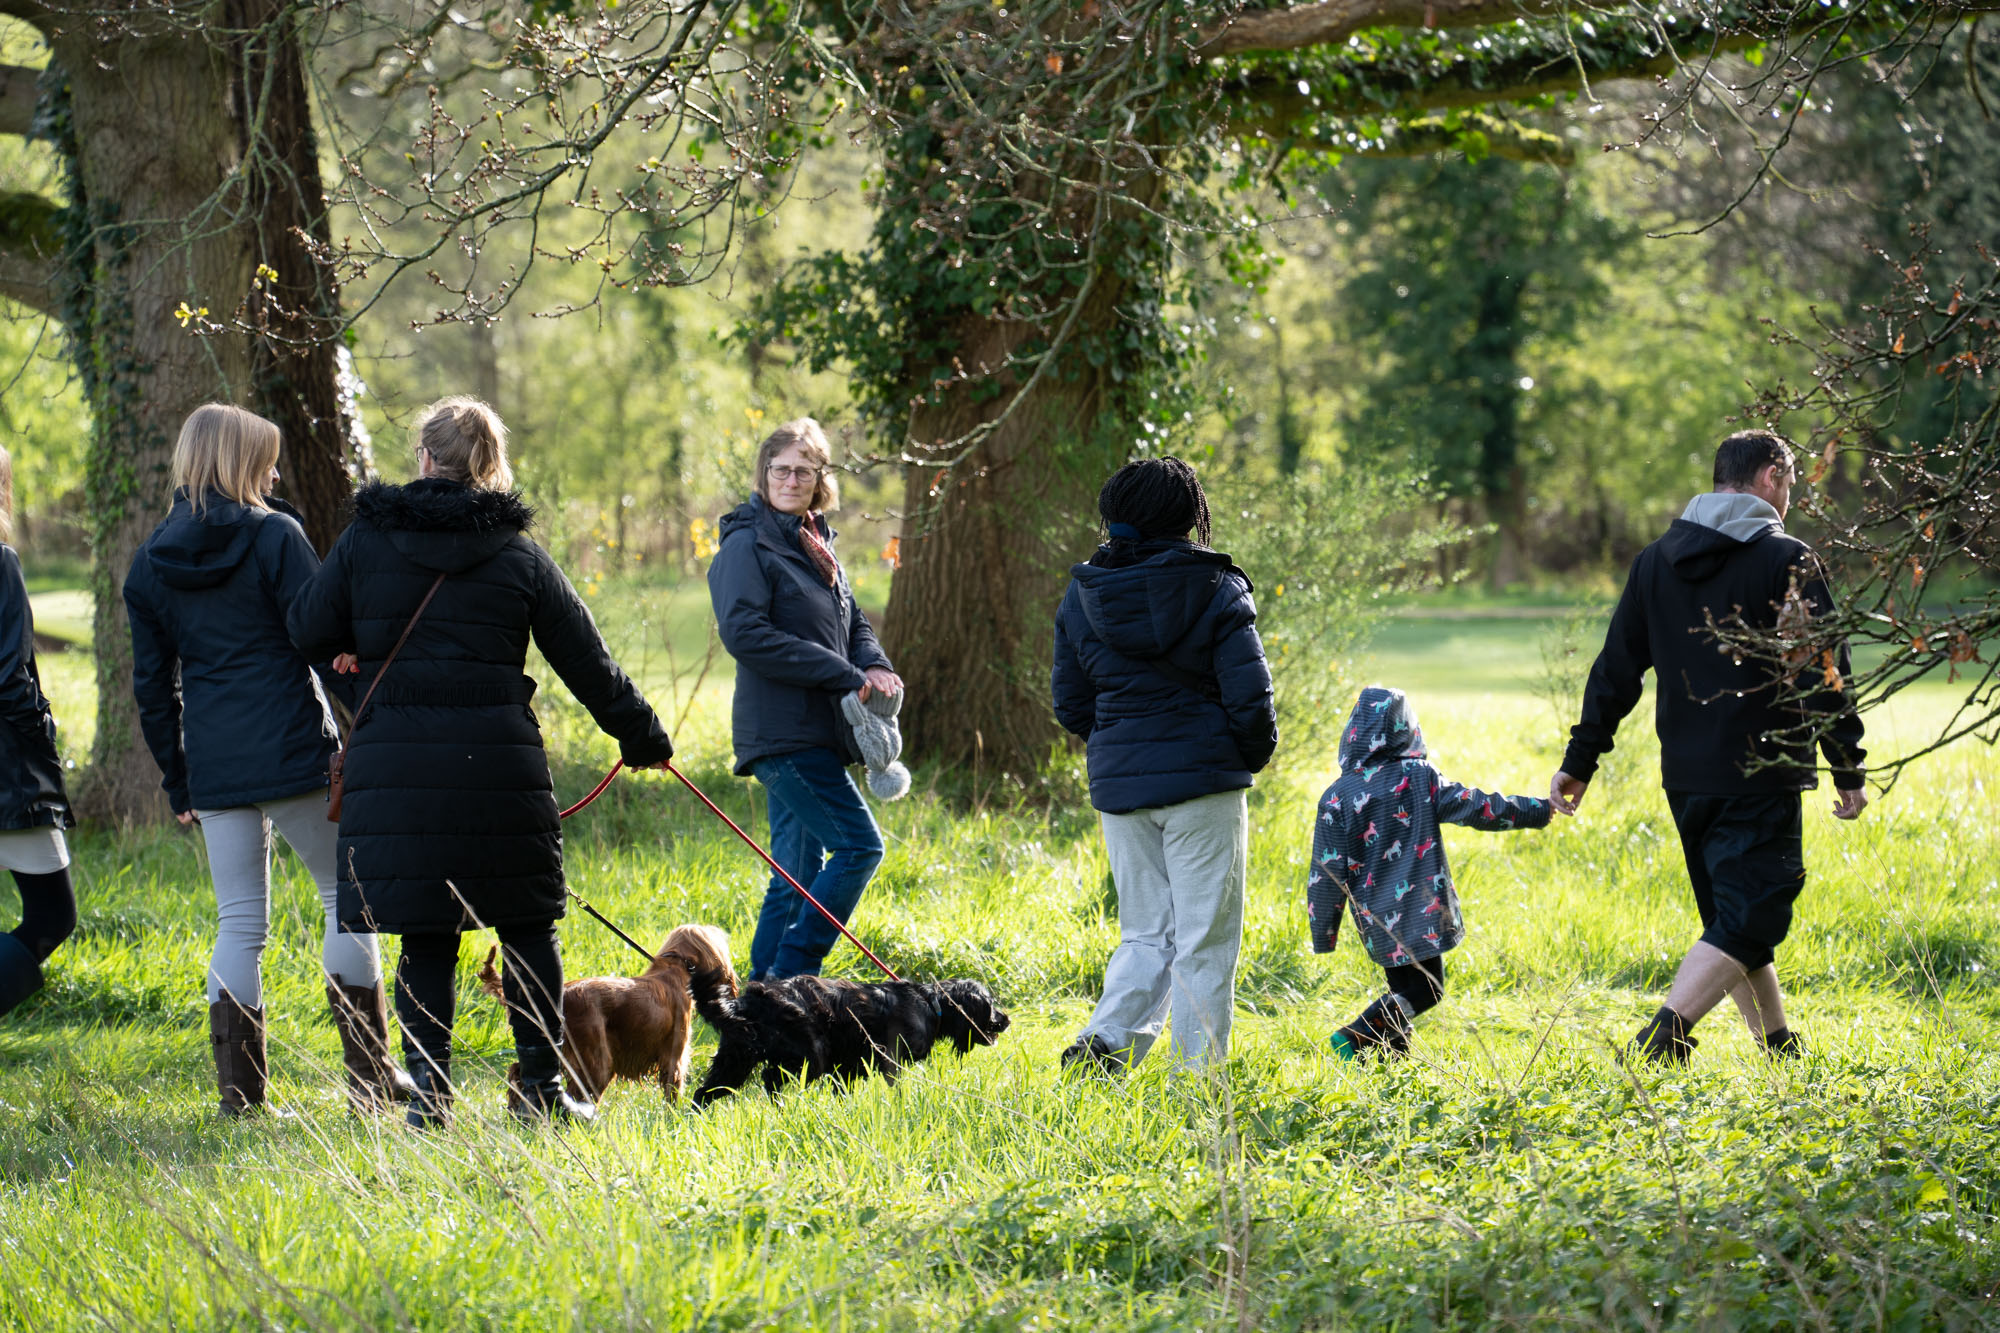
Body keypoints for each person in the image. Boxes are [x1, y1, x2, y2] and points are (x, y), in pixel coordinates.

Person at [288, 396, 673, 1126]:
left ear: (425, 460)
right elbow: (588, 662)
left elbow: (305, 625)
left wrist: (361, 683)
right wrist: (642, 735)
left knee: (424, 936)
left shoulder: (367, 541)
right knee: (527, 929)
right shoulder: (519, 553)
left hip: (396, 771)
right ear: (489, 467)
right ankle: (540, 1092)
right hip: (500, 769)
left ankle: (430, 1102)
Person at [1550, 429, 1867, 1064]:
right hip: (1761, 769)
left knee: (1734, 919)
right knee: (1753, 916)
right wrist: (1847, 763)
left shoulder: (1655, 560)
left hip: (1686, 775)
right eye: (1791, 484)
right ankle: (1664, 1036)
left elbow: (1616, 669)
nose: (1790, 500)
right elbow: (1824, 667)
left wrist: (1579, 761)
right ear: (1771, 476)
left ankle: (1777, 1046)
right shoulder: (1788, 560)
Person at [123, 405, 405, 1116]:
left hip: (215, 765)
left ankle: (241, 1100)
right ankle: (371, 1084)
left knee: (239, 922)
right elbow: (322, 636)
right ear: (239, 462)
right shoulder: (276, 536)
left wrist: (176, 775)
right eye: (267, 460)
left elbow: (153, 687)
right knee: (346, 900)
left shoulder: (149, 558)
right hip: (290, 749)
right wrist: (382, 713)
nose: (276, 472)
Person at [1051, 456, 1277, 1072]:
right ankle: (1199, 1078)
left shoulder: (1083, 591)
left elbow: (1071, 704)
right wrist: (1241, 759)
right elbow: (1252, 699)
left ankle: (1108, 1041)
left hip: (1121, 789)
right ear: (1187, 516)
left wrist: (1117, 749)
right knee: (1204, 938)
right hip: (1205, 786)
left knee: (1146, 932)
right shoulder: (1218, 587)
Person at [707, 418, 899, 982]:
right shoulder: (748, 543)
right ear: (764, 474)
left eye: (804, 471)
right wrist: (840, 673)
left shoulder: (816, 545)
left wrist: (874, 665)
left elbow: (851, 619)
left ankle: (759, 1000)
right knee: (860, 849)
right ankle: (795, 980)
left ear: (820, 481)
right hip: (782, 733)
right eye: (781, 469)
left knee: (793, 872)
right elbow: (745, 633)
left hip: (819, 730)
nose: (791, 479)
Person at [1309, 686, 1550, 1059]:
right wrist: (1538, 809)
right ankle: (1357, 1034)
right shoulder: (1419, 777)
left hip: (1375, 921)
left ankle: (1390, 1064)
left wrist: (1324, 931)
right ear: (1407, 729)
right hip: (1420, 912)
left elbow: (1326, 874)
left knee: (1402, 990)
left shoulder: (1336, 796)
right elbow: (1478, 807)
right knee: (1428, 989)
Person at [0, 447, 78, 1020]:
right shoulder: (0, 560)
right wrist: (43, 733)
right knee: (53, 918)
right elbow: (8, 678)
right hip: (8, 774)